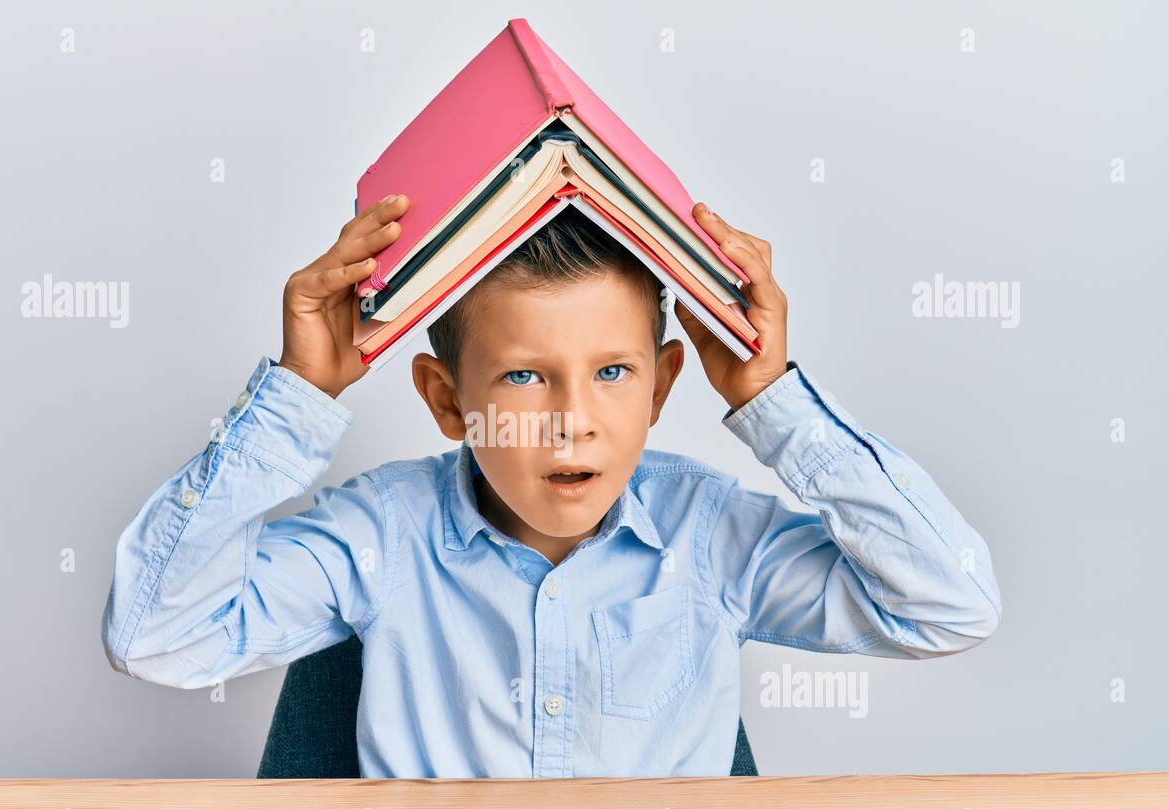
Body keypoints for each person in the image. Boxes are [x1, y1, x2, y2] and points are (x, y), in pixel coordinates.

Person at [100, 194, 1002, 777]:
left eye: (613, 373)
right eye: (525, 377)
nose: (575, 421)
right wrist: (297, 398)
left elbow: (949, 606)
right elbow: (156, 637)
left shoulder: (710, 533)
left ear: (662, 386)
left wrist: (775, 404)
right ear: (446, 400)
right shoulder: (384, 532)